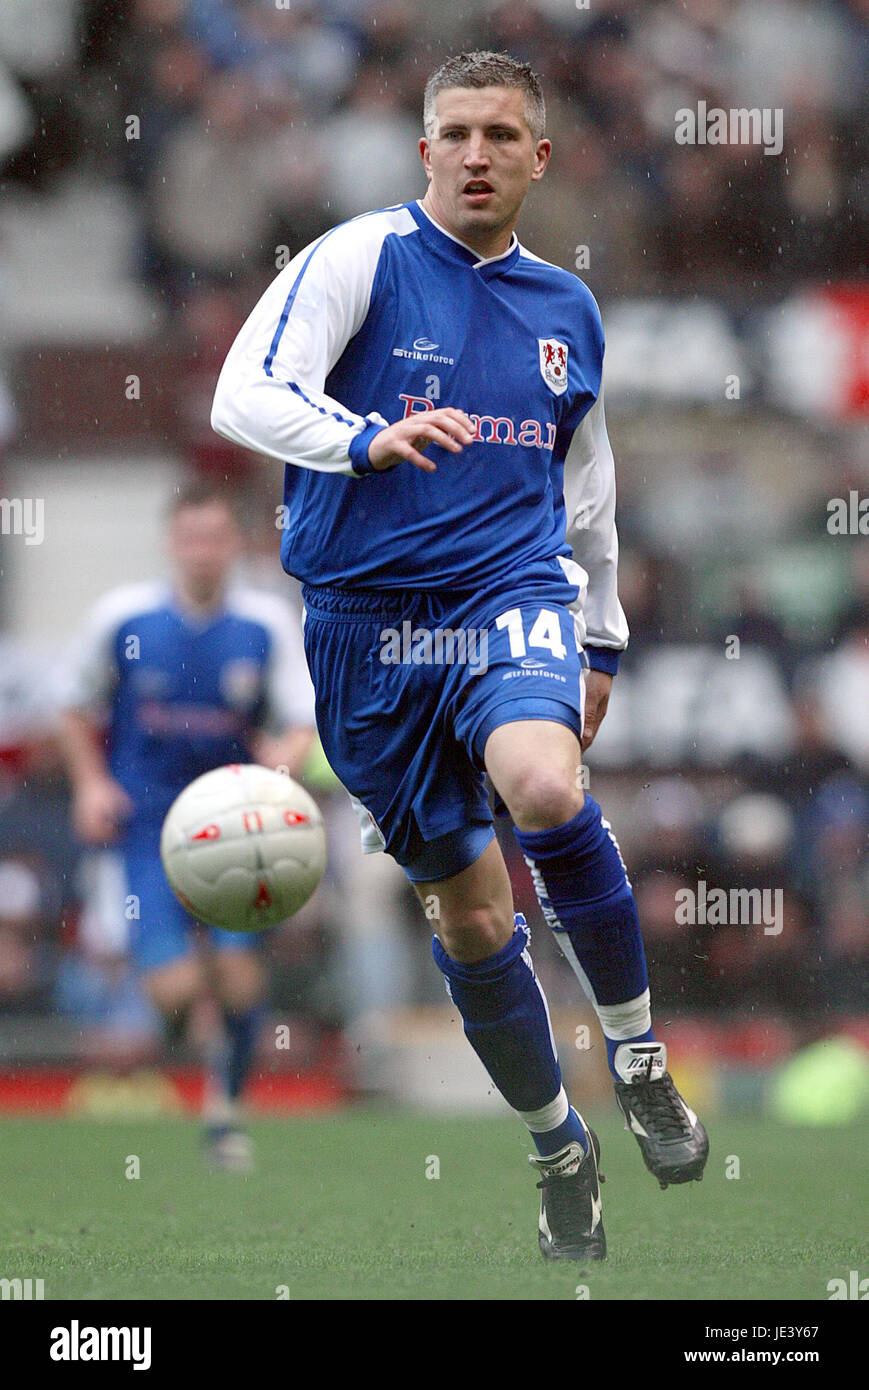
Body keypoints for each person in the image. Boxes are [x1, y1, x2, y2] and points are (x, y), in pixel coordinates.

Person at [211, 50, 708, 1259]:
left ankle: (637, 1057)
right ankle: (557, 1145)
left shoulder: (566, 312)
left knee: (544, 784)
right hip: (362, 630)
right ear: (421, 149)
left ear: (539, 157)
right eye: (454, 133)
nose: (475, 154)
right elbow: (243, 394)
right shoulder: (357, 258)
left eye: (499, 134)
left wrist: (600, 641)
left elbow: (585, 501)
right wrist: (367, 439)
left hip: (505, 593)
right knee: (473, 920)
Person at [59, 483, 316, 1169]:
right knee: (173, 995)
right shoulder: (123, 619)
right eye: (190, 538)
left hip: (238, 827)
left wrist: (284, 758)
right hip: (145, 827)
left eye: (215, 538)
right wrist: (90, 783)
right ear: (171, 543)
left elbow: (298, 719)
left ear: (233, 544)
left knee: (239, 979)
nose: (202, 552)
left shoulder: (264, 623)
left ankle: (225, 1117)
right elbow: (73, 709)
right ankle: (189, 1020)